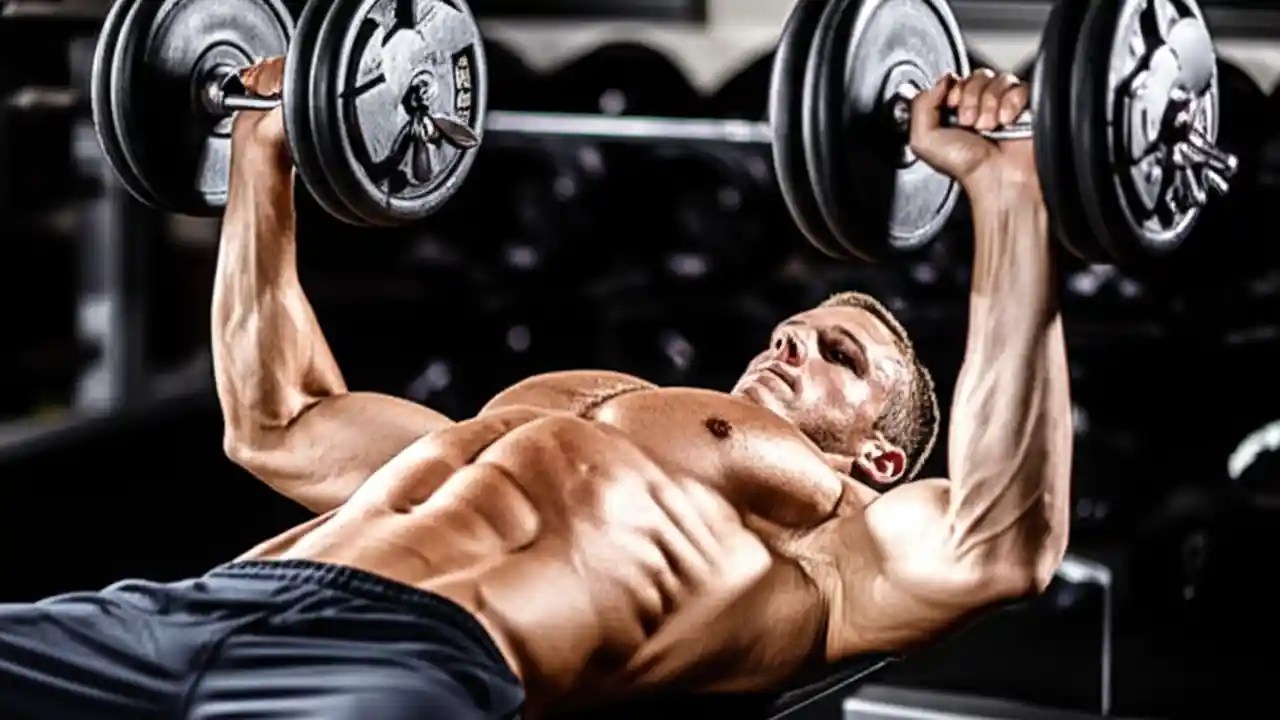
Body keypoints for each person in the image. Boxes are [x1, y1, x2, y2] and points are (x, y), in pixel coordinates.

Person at [0, 60, 1070, 720]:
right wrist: (261, 150)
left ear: (879, 456)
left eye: (840, 357)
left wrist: (1005, 187)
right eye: (795, 327)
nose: (794, 340)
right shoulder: (576, 402)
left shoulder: (839, 533)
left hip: (406, 661)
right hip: (186, 610)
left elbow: (1004, 543)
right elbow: (280, 423)